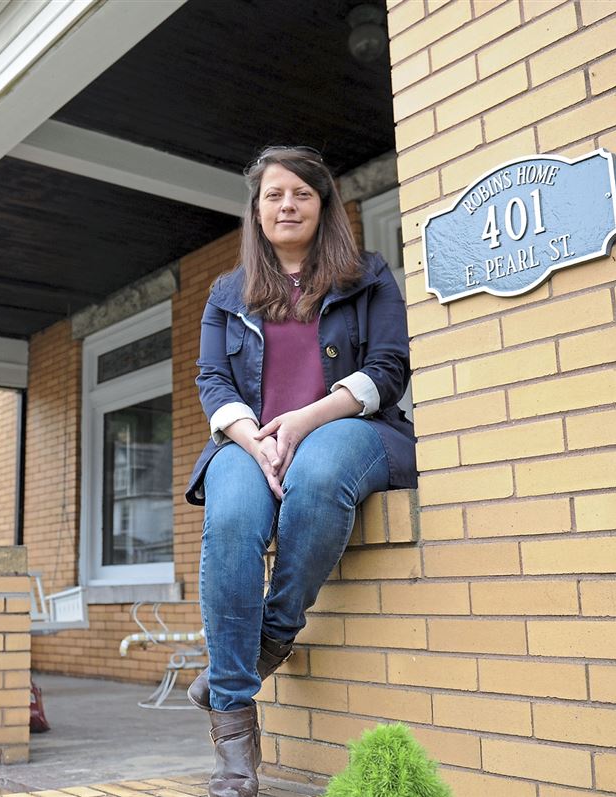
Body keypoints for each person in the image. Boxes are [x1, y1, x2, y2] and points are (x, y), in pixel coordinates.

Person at [183, 146, 416, 797]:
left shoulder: (368, 275)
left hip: (351, 430)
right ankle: (234, 744)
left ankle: (271, 636)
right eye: (274, 195)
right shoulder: (227, 293)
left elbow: (390, 368)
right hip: (250, 441)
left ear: (323, 203)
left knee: (318, 470)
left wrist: (306, 418)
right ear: (257, 210)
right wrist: (248, 435)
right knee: (229, 516)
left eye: (301, 193)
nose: (287, 204)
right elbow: (211, 378)